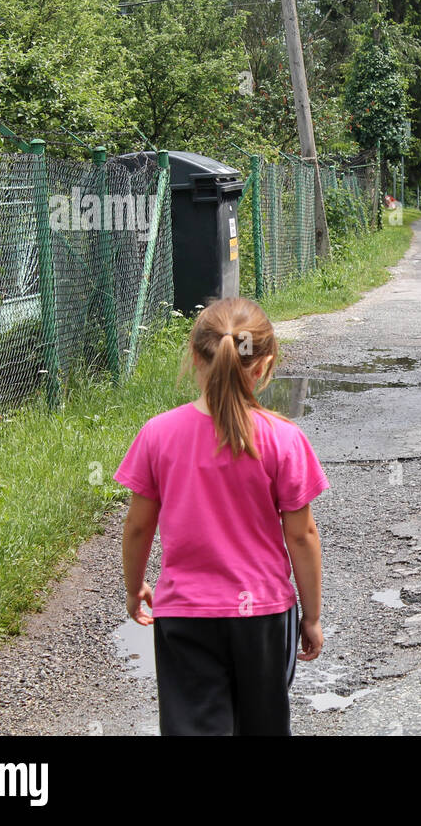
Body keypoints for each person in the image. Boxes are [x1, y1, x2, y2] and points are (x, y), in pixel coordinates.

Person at [115, 297, 327, 735]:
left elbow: (138, 526)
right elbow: (302, 536)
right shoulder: (284, 439)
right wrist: (311, 615)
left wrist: (135, 587)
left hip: (186, 613)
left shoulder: (158, 434)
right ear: (266, 366)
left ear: (195, 356)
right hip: (264, 616)